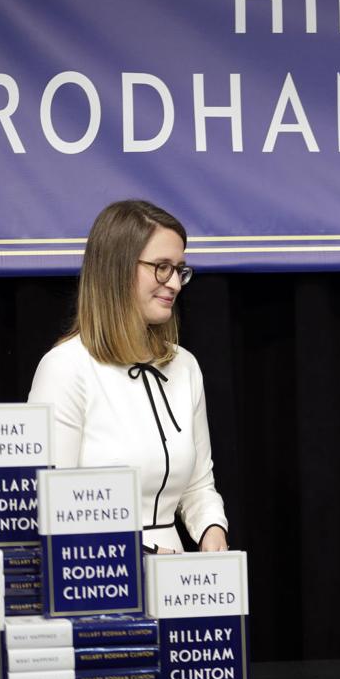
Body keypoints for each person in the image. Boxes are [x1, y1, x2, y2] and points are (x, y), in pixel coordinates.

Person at [29, 200, 228, 554]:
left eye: (179, 269)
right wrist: (144, 557)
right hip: (97, 575)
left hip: (176, 581)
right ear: (117, 269)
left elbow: (198, 485)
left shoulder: (185, 366)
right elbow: (50, 508)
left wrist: (212, 529)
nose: (175, 284)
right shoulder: (64, 368)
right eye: (161, 267)